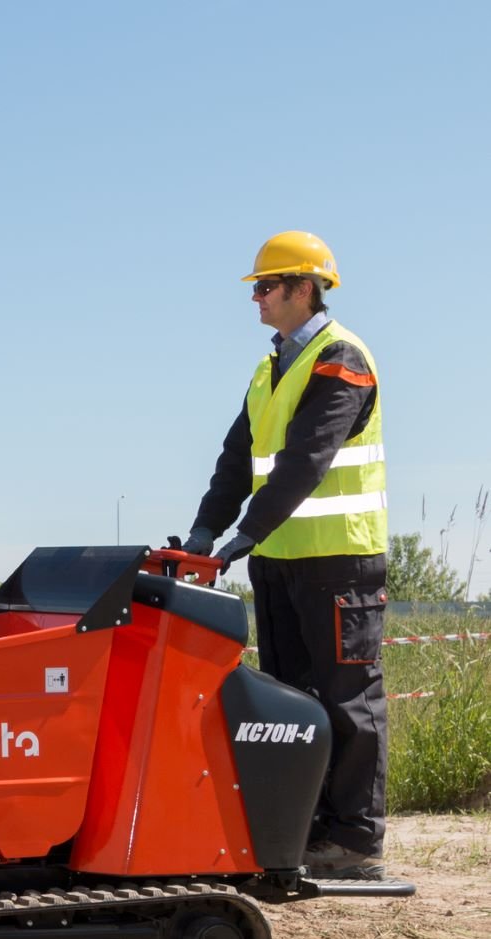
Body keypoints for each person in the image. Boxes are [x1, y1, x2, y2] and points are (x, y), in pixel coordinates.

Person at [180, 231, 388, 880]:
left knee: (347, 701)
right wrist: (205, 532)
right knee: (296, 703)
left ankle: (355, 841)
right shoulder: (269, 368)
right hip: (278, 561)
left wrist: (245, 533)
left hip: (339, 561)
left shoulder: (341, 360)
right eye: (257, 288)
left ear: (305, 289)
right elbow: (235, 461)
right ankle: (305, 830)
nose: (257, 298)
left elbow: (306, 460)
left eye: (267, 287)